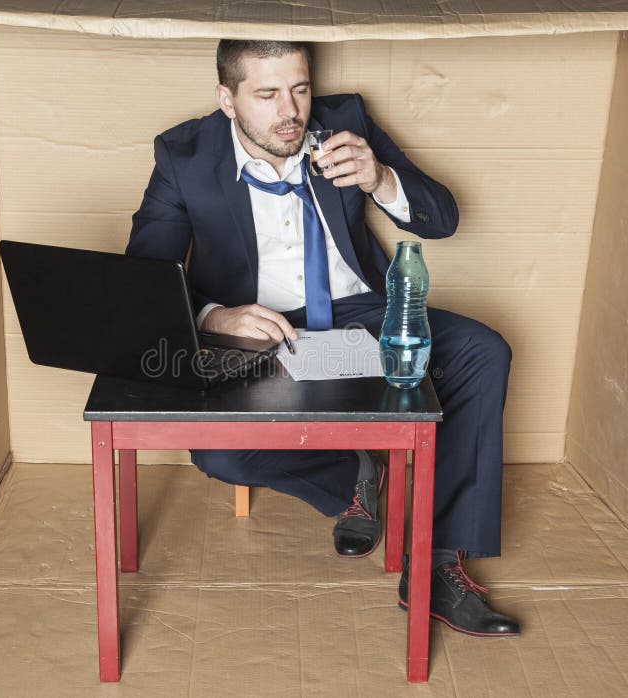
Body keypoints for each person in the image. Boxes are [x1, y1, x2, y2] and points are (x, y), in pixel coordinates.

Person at [127, 39, 520, 637]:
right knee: (220, 454)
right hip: (257, 329)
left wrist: (381, 178)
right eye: (266, 94)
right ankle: (355, 471)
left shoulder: (346, 122)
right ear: (227, 100)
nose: (291, 110)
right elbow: (144, 274)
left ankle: (438, 564)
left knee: (482, 350)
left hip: (362, 309)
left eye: (300, 88)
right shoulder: (185, 155)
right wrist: (213, 316)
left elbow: (443, 218)